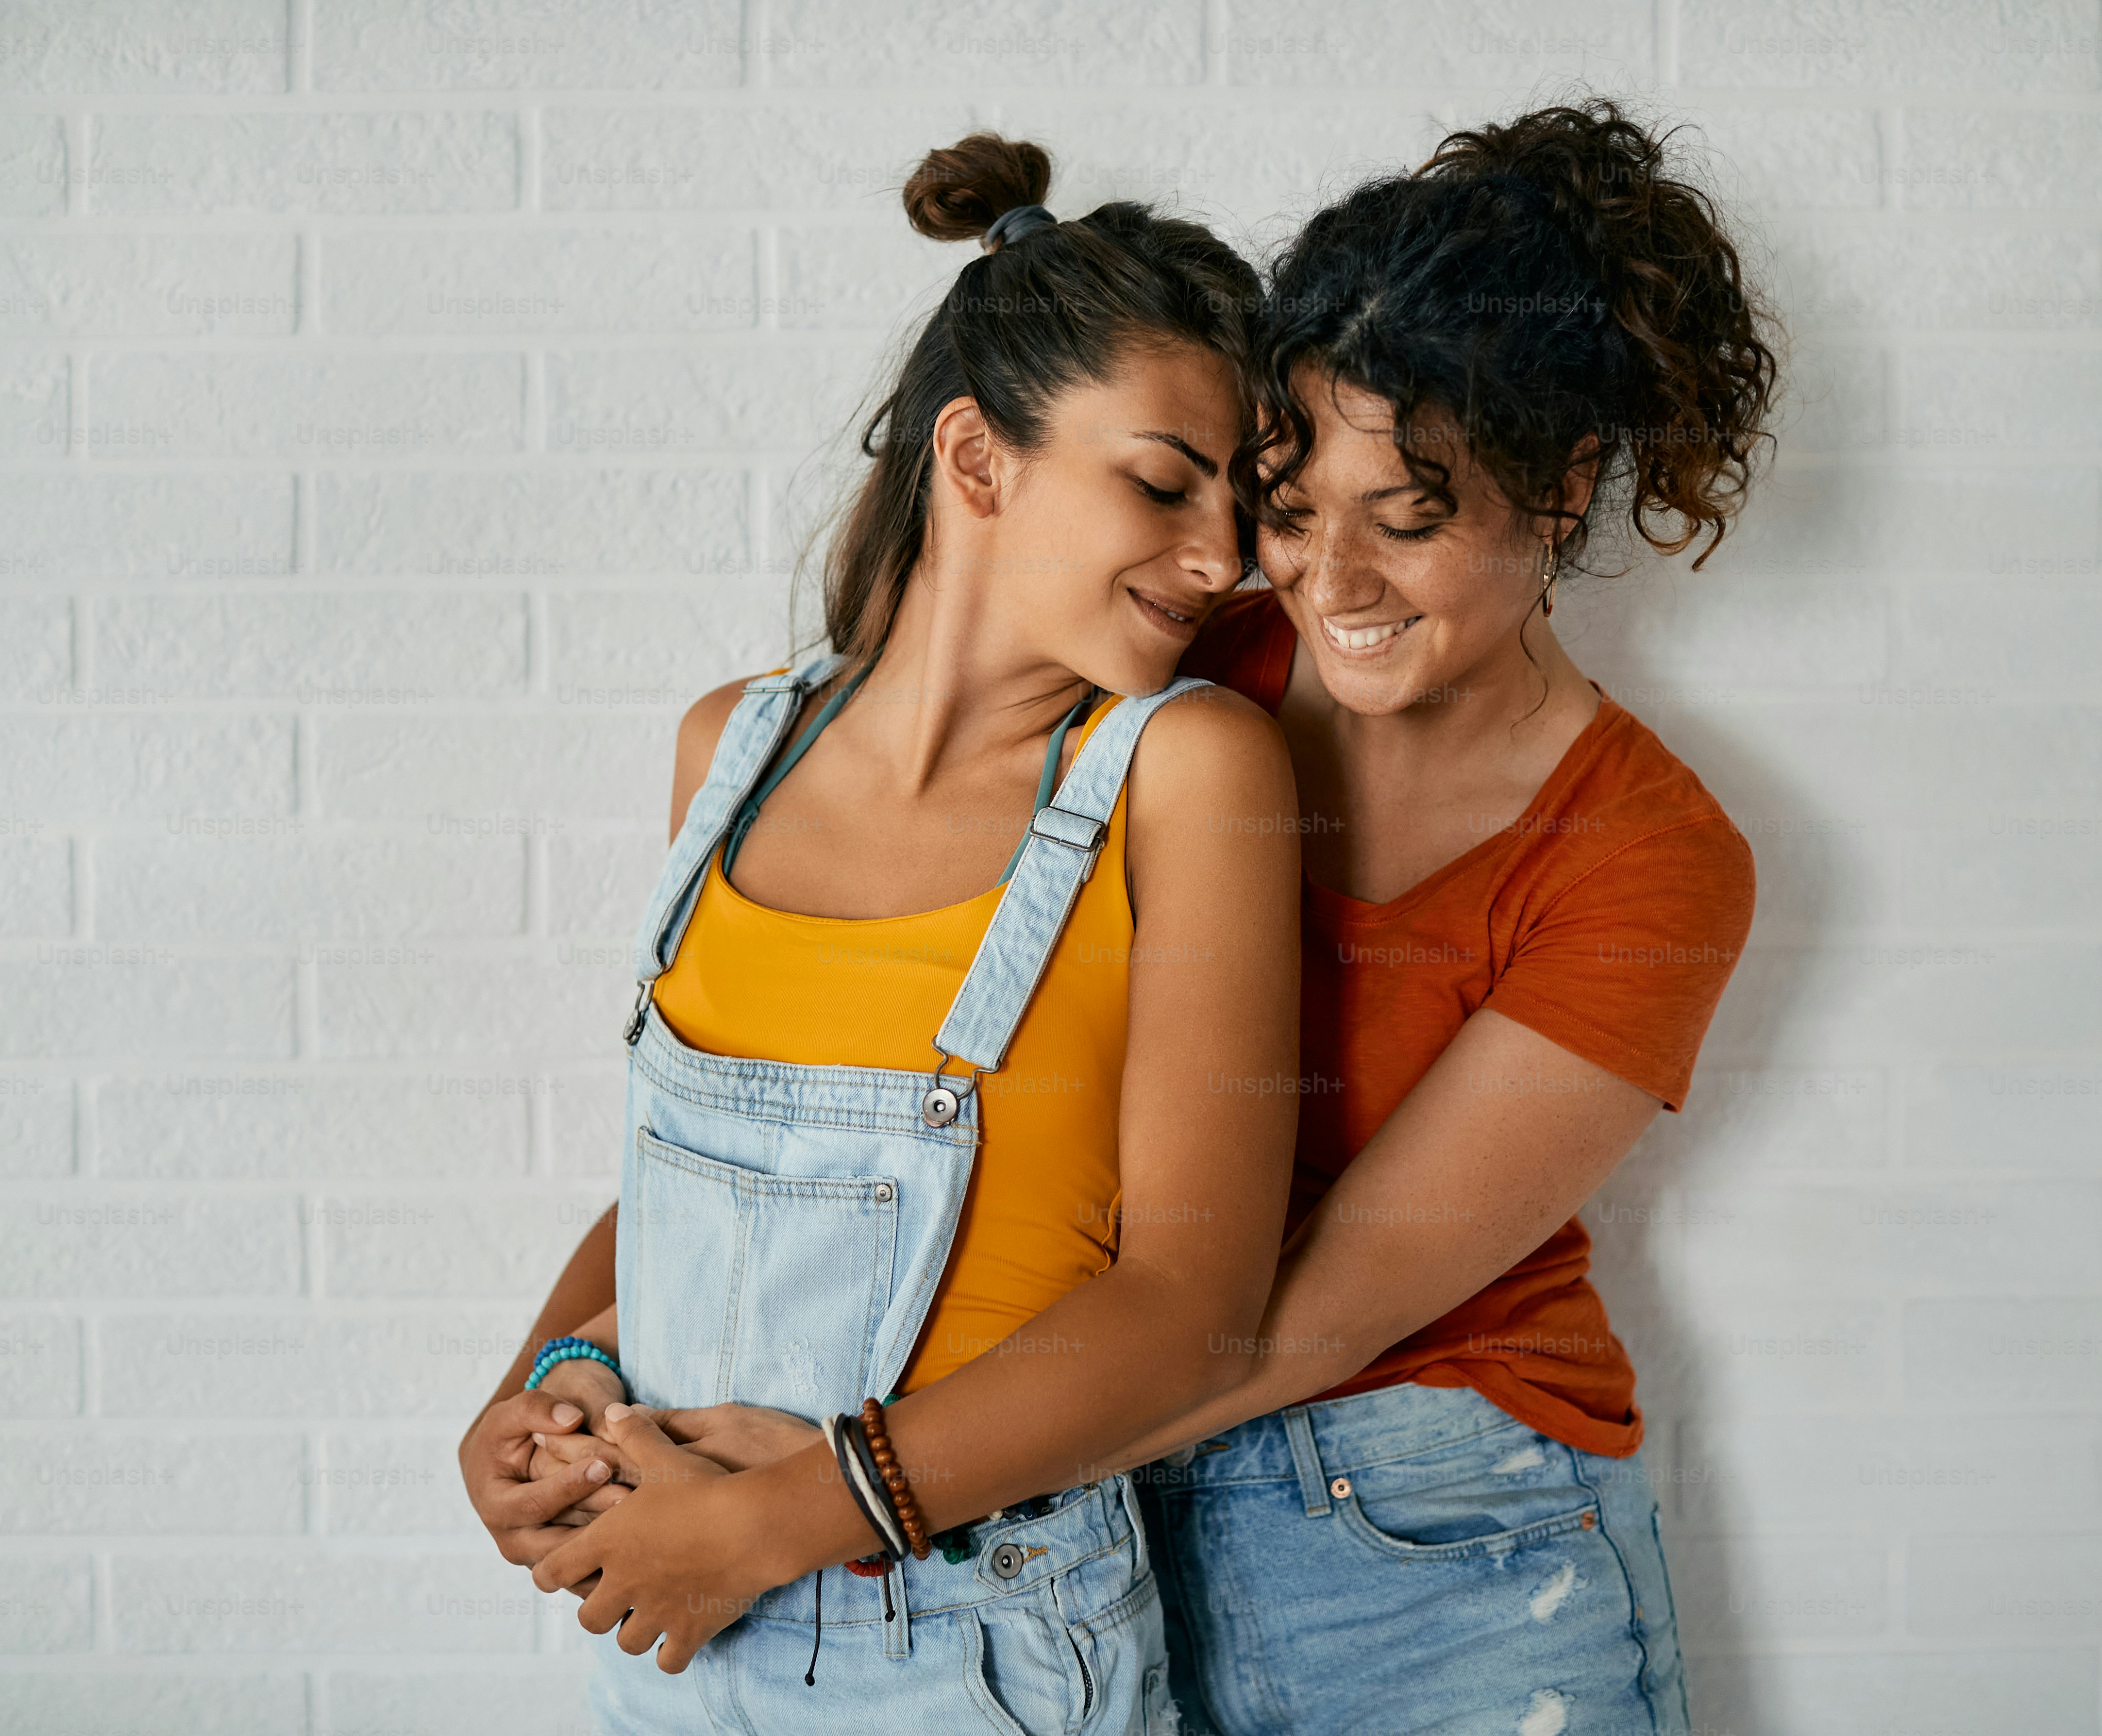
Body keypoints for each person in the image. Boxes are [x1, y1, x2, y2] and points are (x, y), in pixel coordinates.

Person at [508, 98, 1775, 1736]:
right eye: (1291, 510)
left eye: (1411, 520)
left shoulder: (1647, 857)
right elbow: (835, 1111)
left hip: (1427, 1546)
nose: (1323, 584)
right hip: (1060, 1530)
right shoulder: (1163, 680)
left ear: (1563, 488)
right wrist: (583, 1389)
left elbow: (1284, 1323)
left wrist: (832, 1503)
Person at [454, 133, 1302, 1736]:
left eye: (1242, 508)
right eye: (1164, 482)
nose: (1223, 559)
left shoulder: (1187, 773)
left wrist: (773, 1524)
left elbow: (1193, 1307)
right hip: (667, 1632)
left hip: (976, 1647)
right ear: (977, 459)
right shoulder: (732, 749)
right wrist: (541, 1386)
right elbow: (701, 1191)